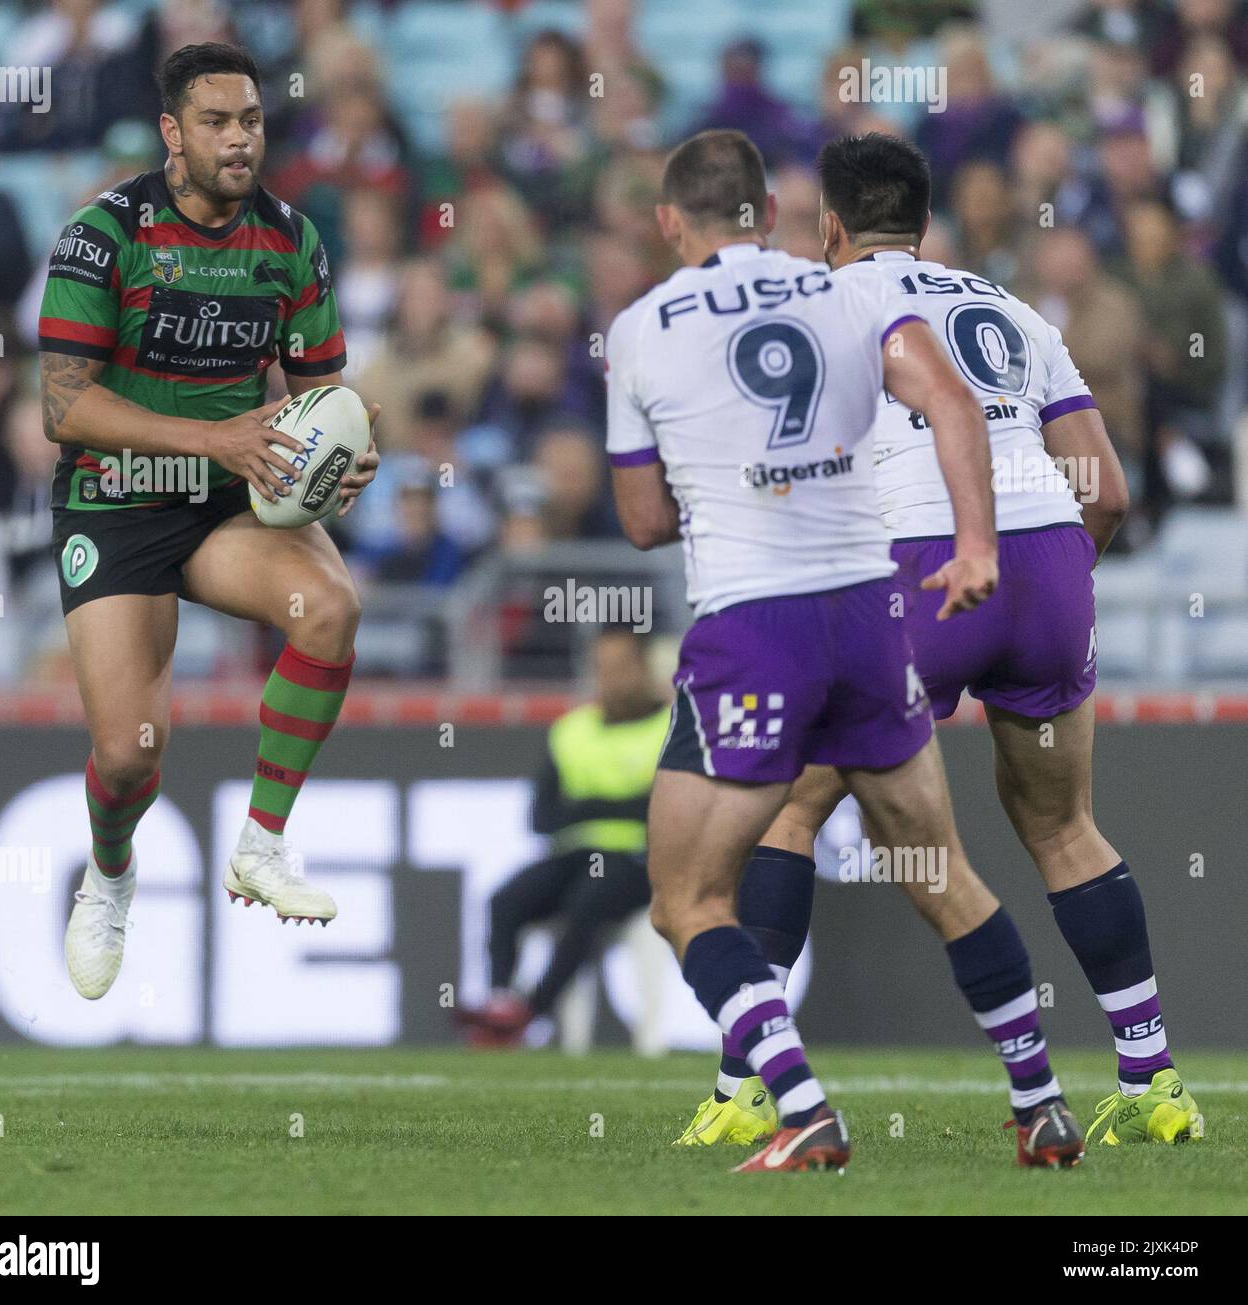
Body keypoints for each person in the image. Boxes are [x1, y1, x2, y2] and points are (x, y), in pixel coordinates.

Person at [687, 132, 1201, 1154]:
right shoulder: (1011, 309)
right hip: (1047, 558)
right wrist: (1050, 590)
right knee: (1063, 829)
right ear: (920, 219)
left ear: (828, 226)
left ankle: (747, 1085)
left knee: (789, 810)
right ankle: (1152, 1080)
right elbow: (1105, 481)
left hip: (915, 565)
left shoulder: (820, 306)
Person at [608, 129, 1084, 1173]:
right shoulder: (846, 297)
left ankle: (798, 1104)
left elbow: (642, 521)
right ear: (774, 215)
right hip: (872, 615)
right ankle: (1042, 1104)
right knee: (939, 868)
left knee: (687, 898)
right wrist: (970, 546)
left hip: (752, 624)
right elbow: (951, 401)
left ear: (668, 223)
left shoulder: (640, 329)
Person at [38, 42, 379, 1000]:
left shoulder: (293, 241)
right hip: (115, 498)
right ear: (171, 136)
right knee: (126, 754)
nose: (240, 140)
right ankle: (109, 873)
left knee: (332, 607)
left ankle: (262, 843)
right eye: (218, 123)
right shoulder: (104, 234)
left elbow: (323, 400)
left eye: (253, 121)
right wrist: (214, 437)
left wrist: (346, 455)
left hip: (231, 495)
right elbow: (64, 406)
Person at [454, 627, 669, 1045]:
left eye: (621, 668)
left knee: (585, 904)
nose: (611, 679)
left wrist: (586, 806)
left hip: (638, 859)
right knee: (505, 899)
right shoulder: (572, 730)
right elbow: (541, 817)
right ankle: (500, 1000)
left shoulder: (670, 726)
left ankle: (531, 1012)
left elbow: (665, 811)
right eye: (602, 668)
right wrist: (617, 804)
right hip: (575, 854)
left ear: (643, 669)